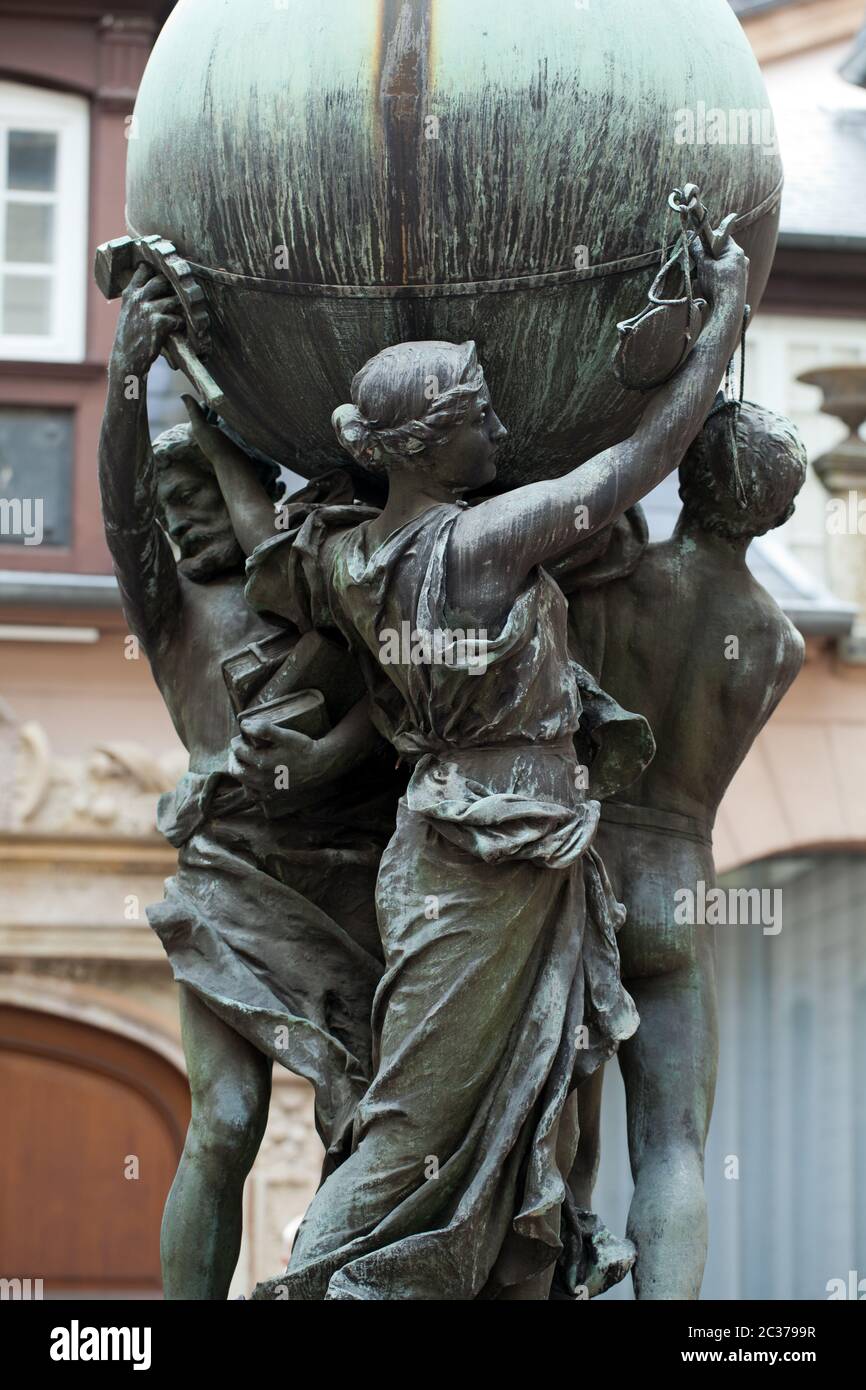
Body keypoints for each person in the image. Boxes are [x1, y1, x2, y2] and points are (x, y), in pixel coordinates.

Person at [185, 231, 749, 1300]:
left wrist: (206, 399)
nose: (499, 429)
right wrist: (720, 318)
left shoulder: (350, 558)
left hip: (469, 838)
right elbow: (636, 460)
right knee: (416, 1122)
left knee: (506, 1104)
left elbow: (265, 530)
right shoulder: (480, 545)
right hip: (491, 843)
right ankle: (318, 1283)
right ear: (426, 445)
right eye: (479, 416)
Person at [98, 264, 399, 1299]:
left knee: (361, 1128)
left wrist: (219, 432)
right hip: (230, 881)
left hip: (355, 888)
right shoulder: (176, 617)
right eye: (169, 497)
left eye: (199, 492)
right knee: (223, 1120)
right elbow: (122, 511)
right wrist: (127, 377)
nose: (180, 516)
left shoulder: (322, 590)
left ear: (243, 497)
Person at [565, 398, 807, 1299]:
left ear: (683, 477)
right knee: (674, 1150)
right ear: (778, 515)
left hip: (586, 865)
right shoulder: (778, 644)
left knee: (568, 1145)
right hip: (682, 878)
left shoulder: (616, 585)